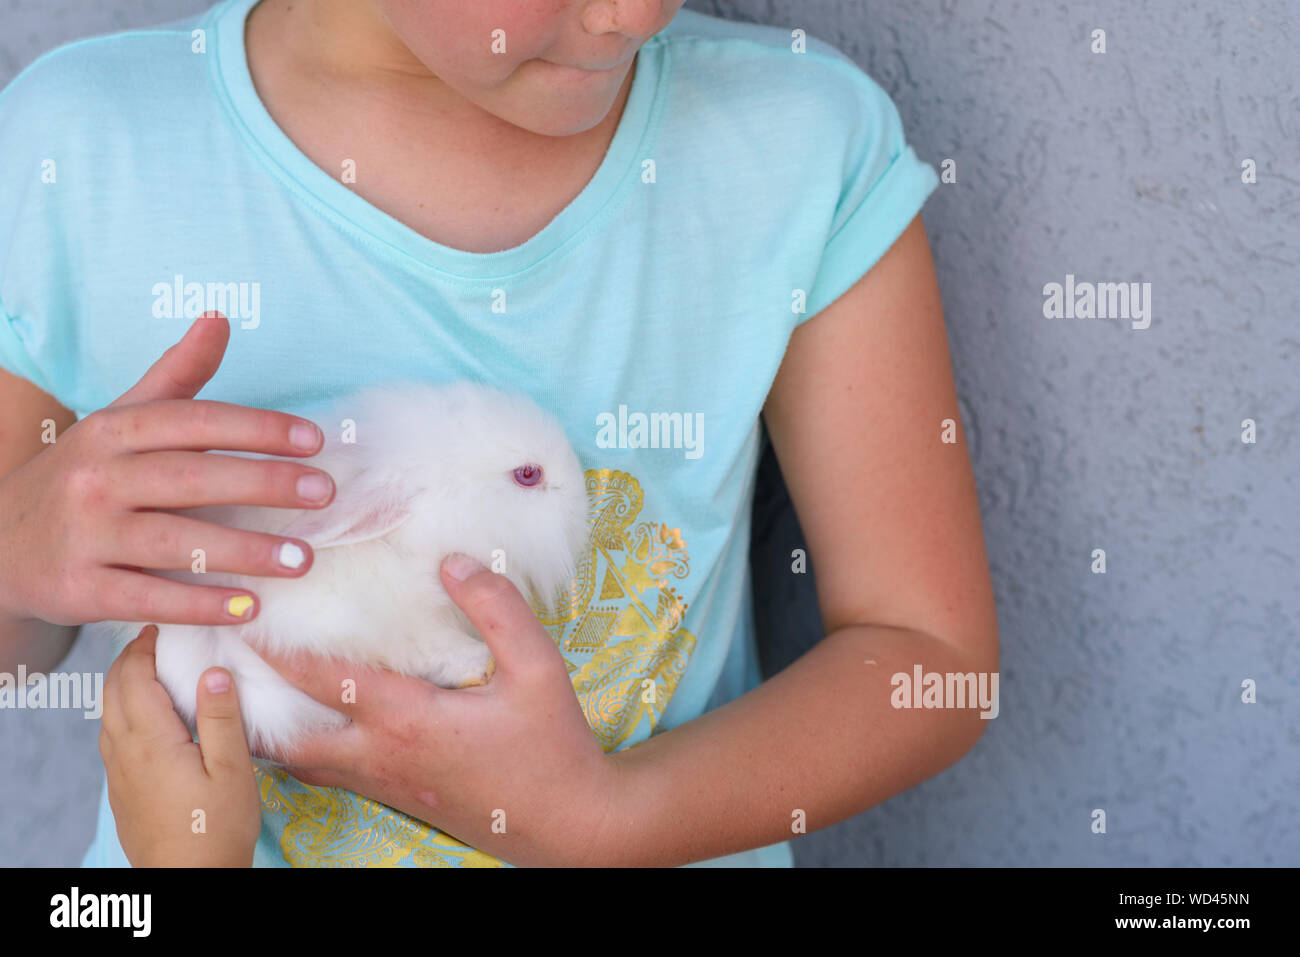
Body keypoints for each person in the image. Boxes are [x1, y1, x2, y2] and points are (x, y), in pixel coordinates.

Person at [0, 0, 999, 867]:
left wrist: (602, 821)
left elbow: (929, 657)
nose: (634, 16)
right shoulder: (79, 148)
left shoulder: (795, 141)